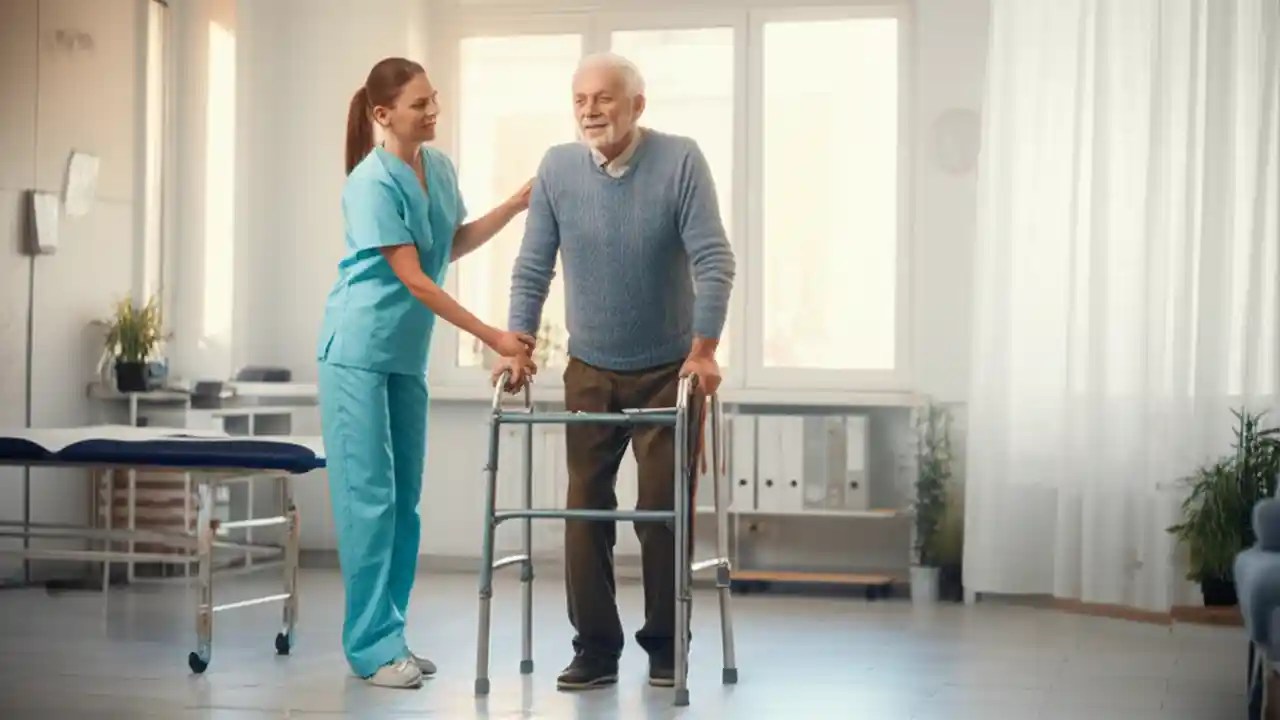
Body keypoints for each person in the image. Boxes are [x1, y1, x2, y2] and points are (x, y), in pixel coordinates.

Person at [492, 52, 736, 691]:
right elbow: (532, 266)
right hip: (590, 367)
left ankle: (666, 646)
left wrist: (705, 349)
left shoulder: (680, 160)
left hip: (669, 370)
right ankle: (596, 650)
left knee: (659, 510)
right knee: (584, 512)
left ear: (637, 105)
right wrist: (518, 344)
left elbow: (714, 260)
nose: (591, 110)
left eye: (604, 97)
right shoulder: (557, 168)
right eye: (580, 100)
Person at [318, 57, 535, 689]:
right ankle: (369, 648)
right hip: (356, 350)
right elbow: (415, 278)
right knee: (369, 503)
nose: (433, 111)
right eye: (420, 104)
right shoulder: (369, 183)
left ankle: (392, 636)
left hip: (404, 355)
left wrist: (515, 204)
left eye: (434, 98)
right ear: (383, 115)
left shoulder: (437, 168)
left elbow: (450, 243)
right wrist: (493, 336)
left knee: (404, 504)